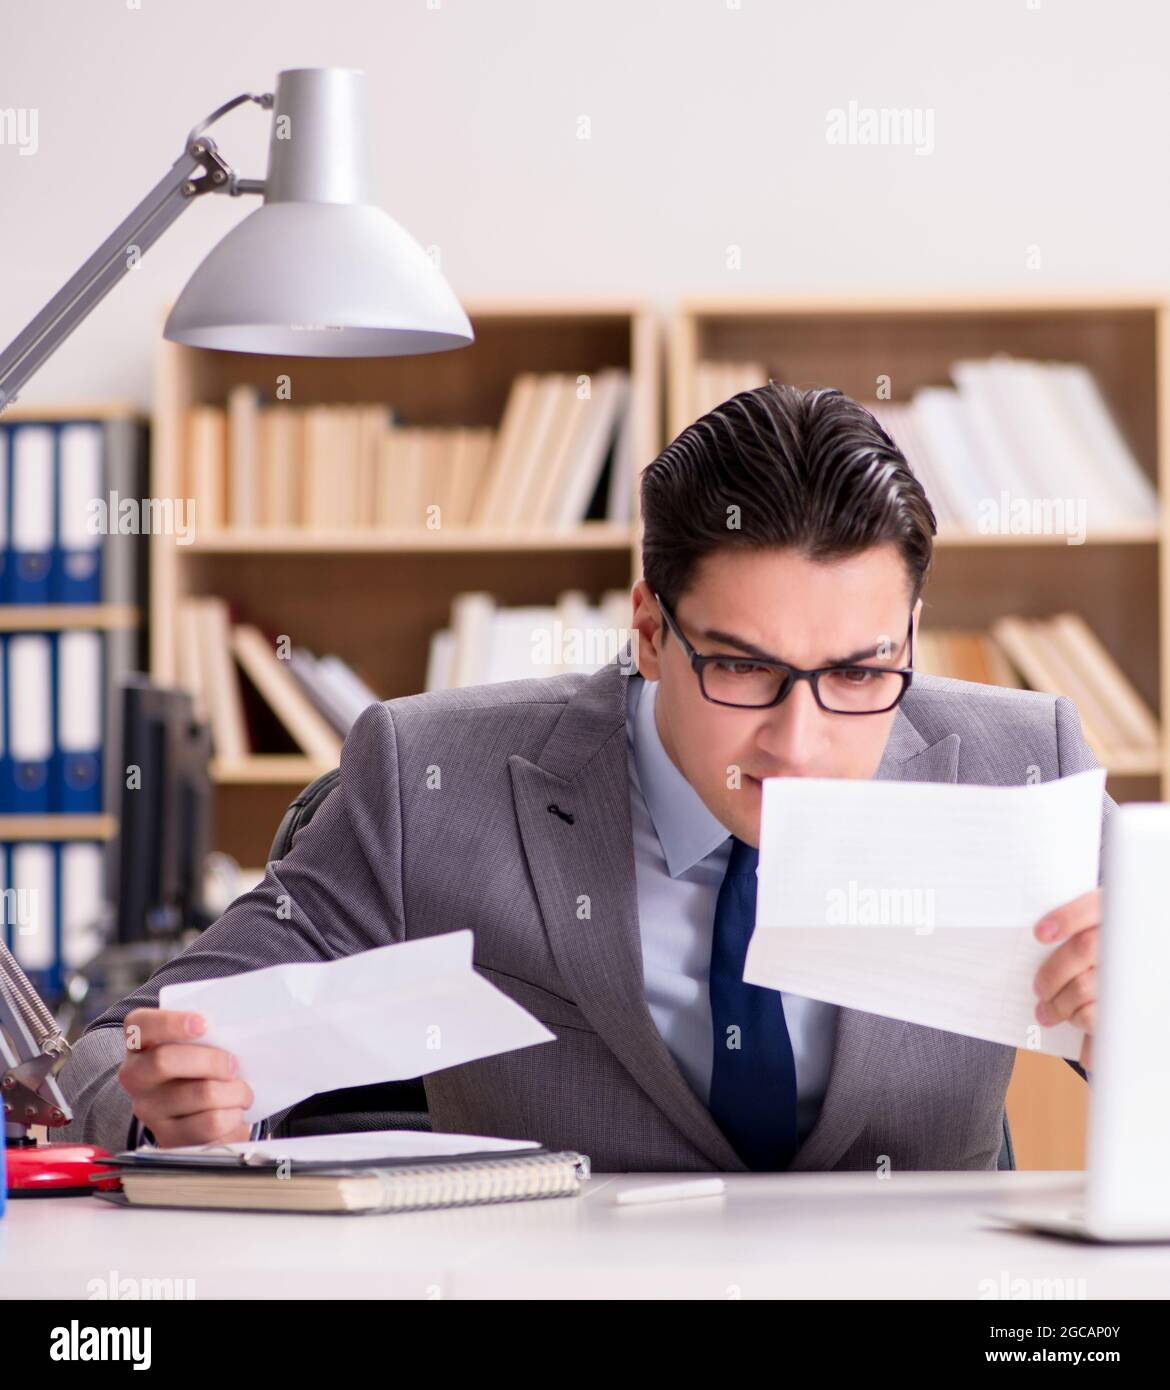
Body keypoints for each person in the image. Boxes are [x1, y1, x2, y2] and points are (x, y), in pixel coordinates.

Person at [60, 382, 1110, 1172]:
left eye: (858, 671)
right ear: (651, 631)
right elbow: (106, 1055)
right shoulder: (434, 780)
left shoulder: (1024, 769)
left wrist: (1139, 1030)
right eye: (743, 666)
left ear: (913, 636)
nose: (800, 741)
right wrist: (167, 1104)